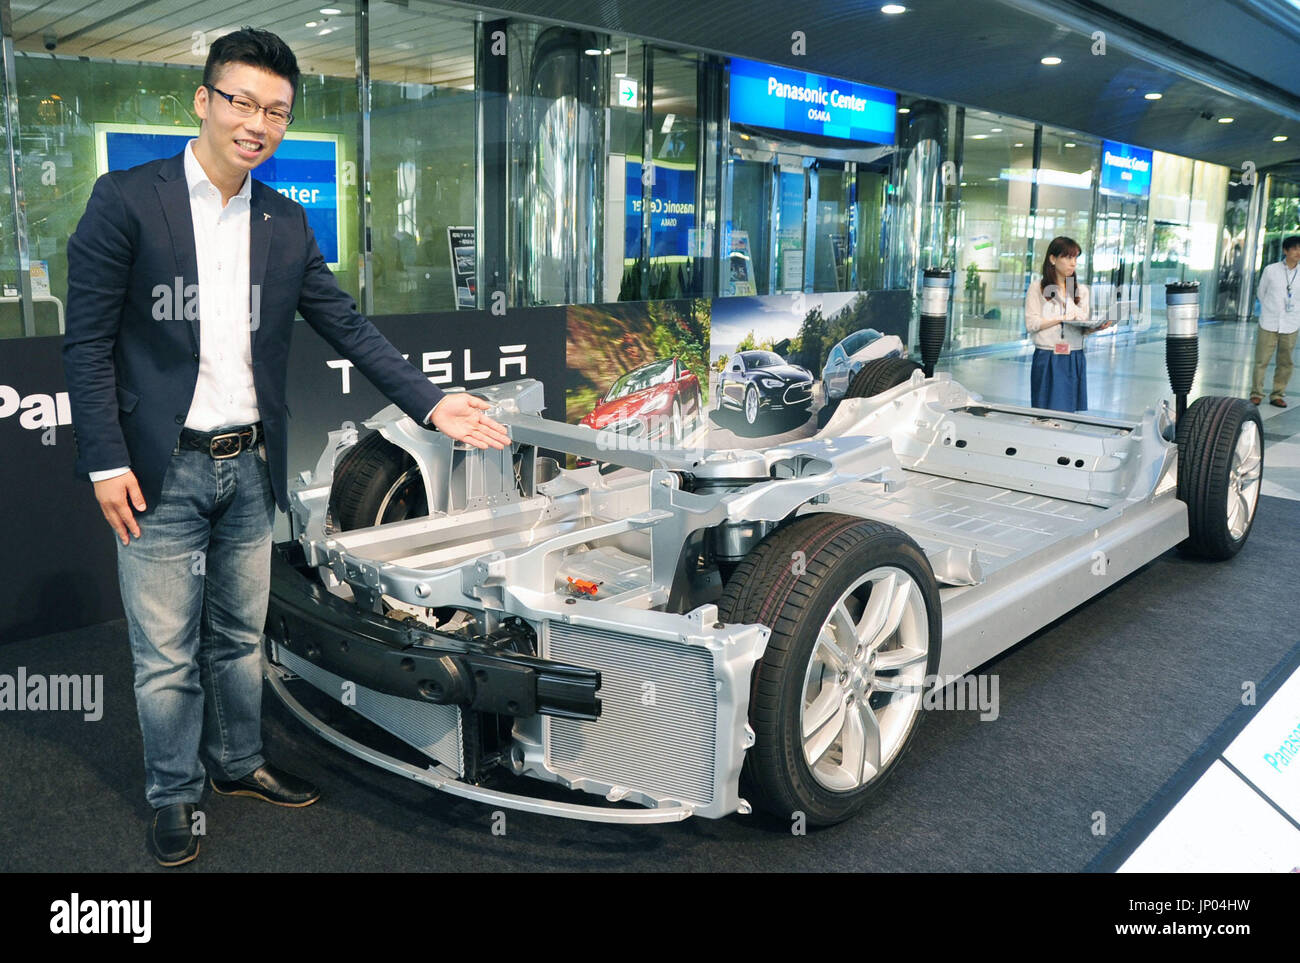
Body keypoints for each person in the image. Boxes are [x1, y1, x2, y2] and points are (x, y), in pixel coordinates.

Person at [61, 27, 509, 867]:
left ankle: (236, 763)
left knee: (240, 636)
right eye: (240, 101)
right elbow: (84, 344)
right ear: (204, 99)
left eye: (276, 110)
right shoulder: (127, 200)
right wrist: (105, 459)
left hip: (249, 465)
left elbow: (346, 325)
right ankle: (172, 793)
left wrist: (429, 401)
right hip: (160, 471)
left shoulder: (284, 221)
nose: (256, 122)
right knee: (164, 654)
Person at [1024, 236, 1110, 412]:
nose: (1073, 263)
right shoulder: (1037, 287)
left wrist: (1094, 328)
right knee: (1045, 413)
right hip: (1048, 356)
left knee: (1069, 414)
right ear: (1053, 259)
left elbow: (1080, 327)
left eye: (1076, 258)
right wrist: (1061, 318)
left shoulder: (1081, 290)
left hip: (1074, 356)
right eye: (1068, 257)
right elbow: (1031, 323)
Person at [1250, 234, 1300, 408]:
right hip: (1269, 321)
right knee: (1261, 359)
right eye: (1294, 248)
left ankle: (1277, 394)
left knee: (1285, 361)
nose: (1298, 252)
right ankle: (1256, 393)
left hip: (1291, 323)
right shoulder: (1271, 270)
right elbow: (1261, 293)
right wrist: (1271, 309)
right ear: (1285, 250)